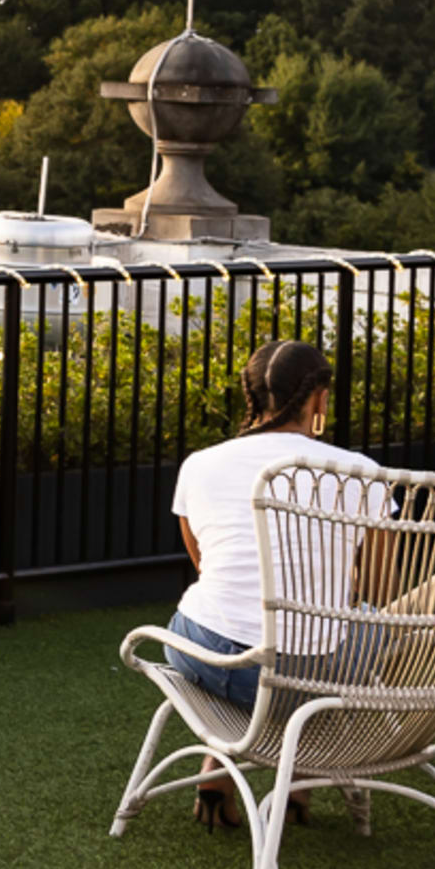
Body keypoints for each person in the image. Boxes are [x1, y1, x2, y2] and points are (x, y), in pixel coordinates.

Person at [156, 340, 382, 825]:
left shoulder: (200, 464)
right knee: (366, 625)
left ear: (252, 395)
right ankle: (299, 776)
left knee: (241, 620)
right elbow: (379, 586)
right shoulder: (360, 474)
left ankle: (219, 756)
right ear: (319, 398)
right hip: (303, 676)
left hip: (205, 654)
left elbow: (204, 564)